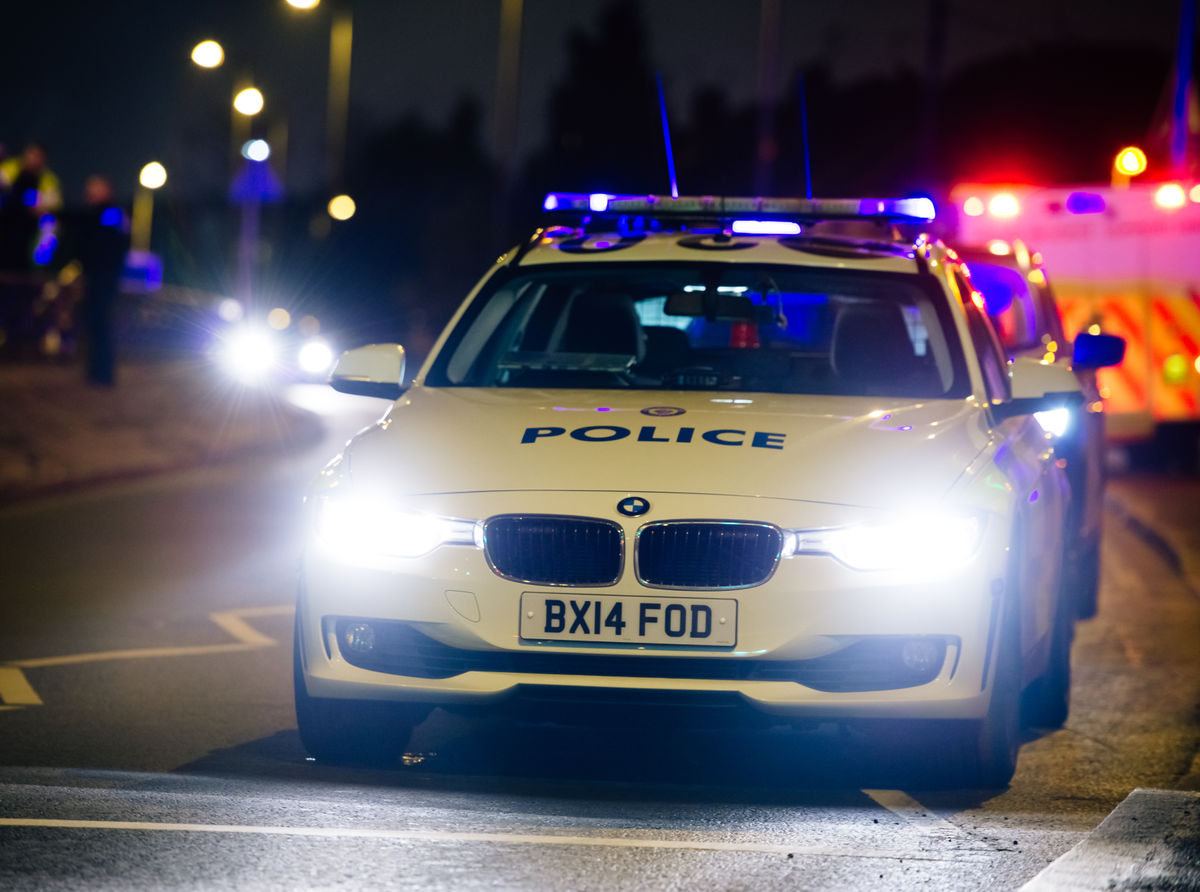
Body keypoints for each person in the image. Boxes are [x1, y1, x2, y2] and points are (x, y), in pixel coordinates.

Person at [68, 175, 129, 385]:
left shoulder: (112, 213)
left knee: (101, 323)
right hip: (94, 275)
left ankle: (103, 373)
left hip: (105, 276)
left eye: (96, 189)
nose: (91, 194)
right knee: (92, 323)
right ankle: (95, 371)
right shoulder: (95, 214)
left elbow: (109, 242)